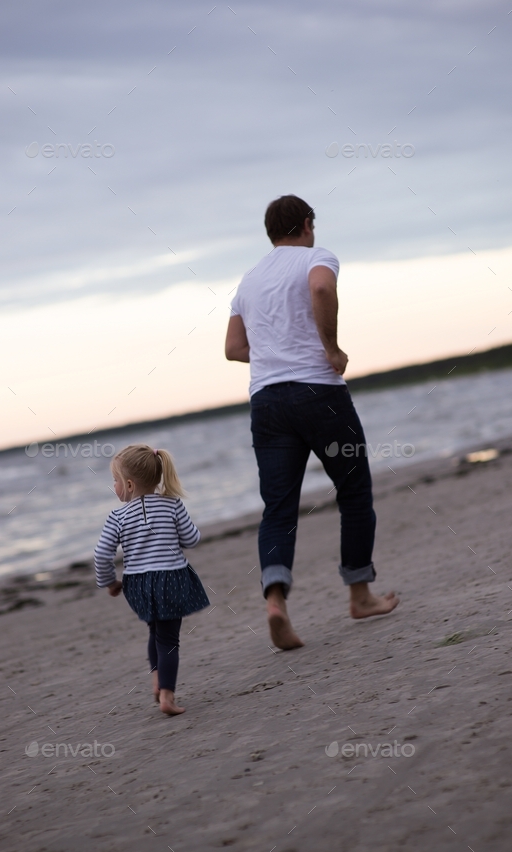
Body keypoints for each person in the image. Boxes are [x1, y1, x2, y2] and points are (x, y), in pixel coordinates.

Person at [225, 194, 399, 651]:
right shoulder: (315, 258)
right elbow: (322, 288)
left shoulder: (248, 281)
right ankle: (360, 596)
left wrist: (273, 352)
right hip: (318, 396)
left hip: (266, 403)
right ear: (306, 224)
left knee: (278, 509)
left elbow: (232, 347)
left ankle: (276, 600)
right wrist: (332, 348)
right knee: (354, 491)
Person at [94, 444, 209, 714]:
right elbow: (192, 539)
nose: (114, 486)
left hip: (137, 585)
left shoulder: (117, 516)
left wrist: (110, 582)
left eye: (115, 481)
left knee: (154, 630)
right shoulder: (172, 503)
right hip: (171, 579)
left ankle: (157, 680)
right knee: (169, 638)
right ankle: (167, 696)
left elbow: (101, 554)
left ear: (130, 485)